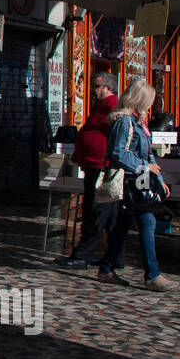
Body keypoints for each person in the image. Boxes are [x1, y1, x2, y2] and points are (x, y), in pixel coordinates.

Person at [94, 79, 173, 291]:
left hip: (140, 178)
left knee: (122, 225)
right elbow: (119, 153)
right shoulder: (124, 121)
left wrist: (158, 178)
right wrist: (146, 167)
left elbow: (148, 154)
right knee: (147, 222)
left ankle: (106, 268)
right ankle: (152, 274)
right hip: (131, 180)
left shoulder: (140, 123)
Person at [57, 72, 118, 268]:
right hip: (92, 164)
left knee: (96, 211)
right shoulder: (100, 105)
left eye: (97, 85)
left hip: (101, 166)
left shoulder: (112, 105)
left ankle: (83, 255)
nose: (93, 89)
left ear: (107, 87)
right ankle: (115, 256)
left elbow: (115, 130)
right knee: (108, 215)